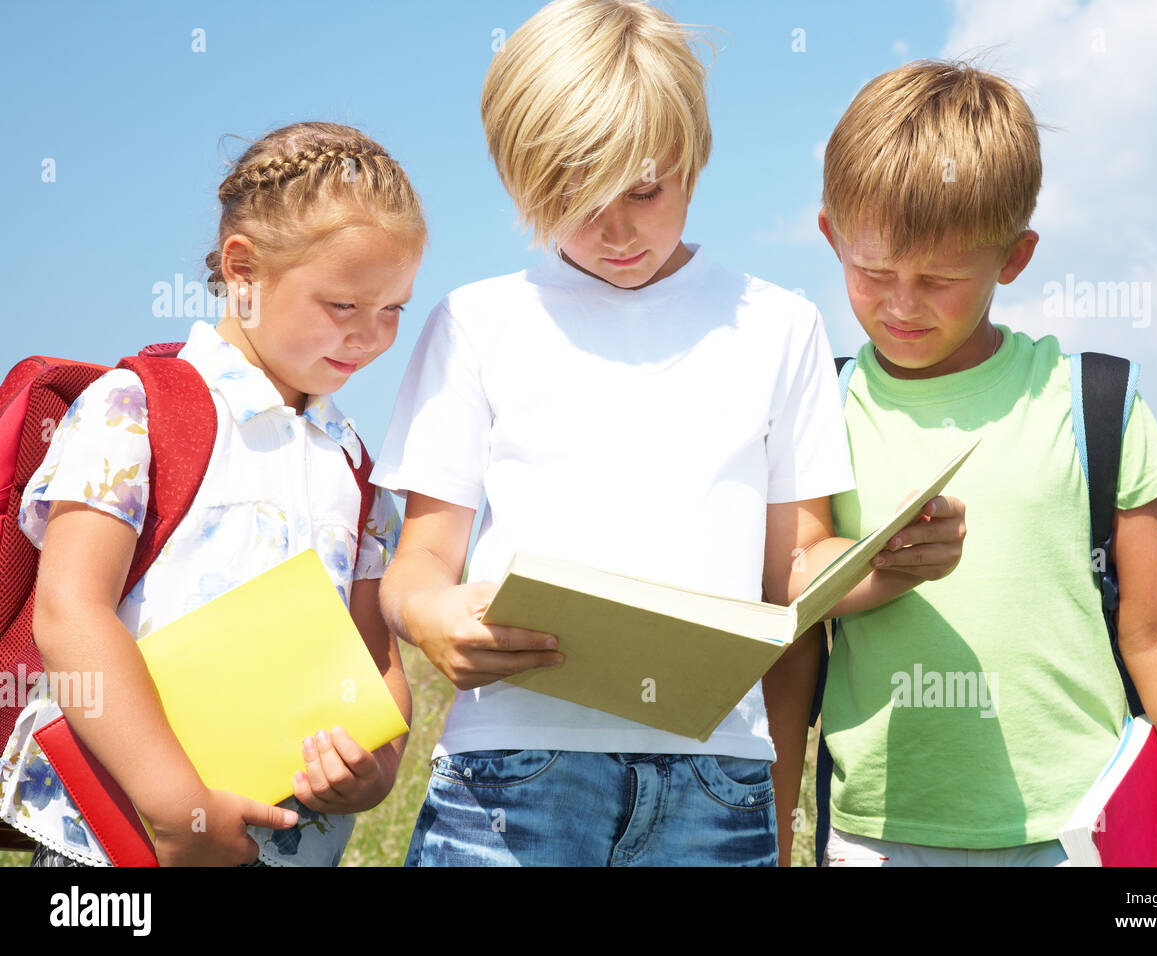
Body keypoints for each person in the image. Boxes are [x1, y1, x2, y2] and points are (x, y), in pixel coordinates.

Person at [374, 0, 965, 867]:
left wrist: (892, 561)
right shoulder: (475, 322)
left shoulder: (778, 324)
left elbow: (789, 574)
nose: (616, 230)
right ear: (518, 181)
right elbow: (418, 563)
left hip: (715, 776)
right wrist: (430, 619)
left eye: (646, 190)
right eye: (575, 197)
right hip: (512, 766)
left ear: (695, 156)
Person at [813, 60, 1157, 865]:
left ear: (1014, 259)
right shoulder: (819, 407)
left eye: (940, 279)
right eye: (873, 271)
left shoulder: (1093, 400)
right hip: (875, 840)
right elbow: (795, 629)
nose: (903, 303)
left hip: (1081, 833)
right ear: (830, 235)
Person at [0, 122, 422, 867]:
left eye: (393, 308)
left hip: (288, 847)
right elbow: (72, 615)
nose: (371, 336)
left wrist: (374, 772)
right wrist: (176, 809)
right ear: (243, 269)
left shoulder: (358, 467)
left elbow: (375, 654)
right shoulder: (136, 409)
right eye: (344, 306)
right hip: (118, 843)